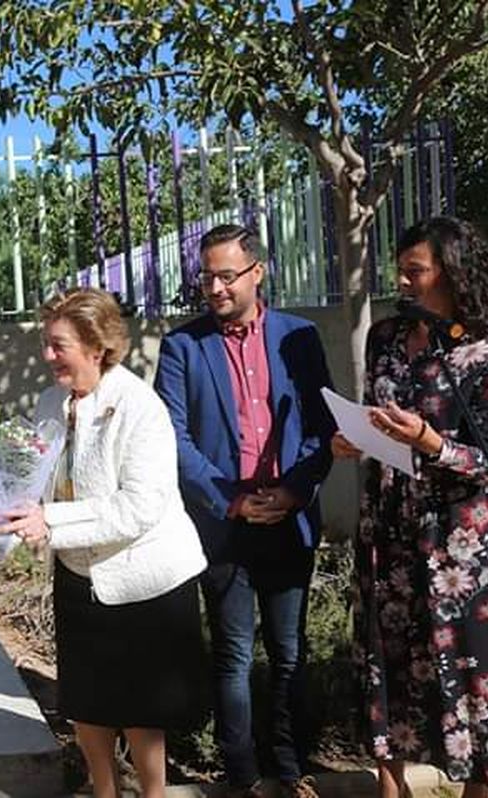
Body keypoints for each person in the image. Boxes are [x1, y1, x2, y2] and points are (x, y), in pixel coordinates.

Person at [0, 288, 208, 798]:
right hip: (78, 573)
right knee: (86, 701)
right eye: (46, 344)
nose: (48, 357)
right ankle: (103, 791)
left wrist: (50, 520)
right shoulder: (52, 402)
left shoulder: (141, 408)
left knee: (139, 710)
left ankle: (154, 795)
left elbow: (139, 507)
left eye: (59, 345)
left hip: (143, 581)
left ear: (97, 348)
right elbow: (33, 480)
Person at [337, 217, 488, 798]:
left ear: (452, 272)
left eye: (417, 270)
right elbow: (375, 415)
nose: (405, 280)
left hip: (461, 544)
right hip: (390, 528)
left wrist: (430, 442)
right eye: (403, 269)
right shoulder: (386, 337)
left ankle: (476, 790)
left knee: (473, 666)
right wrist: (354, 439)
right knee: (389, 661)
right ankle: (393, 789)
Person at [153, 224, 335, 798]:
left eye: (226, 275)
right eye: (206, 276)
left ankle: (289, 766)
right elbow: (173, 438)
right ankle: (243, 776)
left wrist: (294, 491)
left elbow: (322, 425)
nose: (214, 287)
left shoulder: (298, 338)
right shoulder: (183, 346)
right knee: (232, 654)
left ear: (258, 272)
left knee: (288, 651)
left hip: (289, 517)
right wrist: (229, 496)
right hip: (225, 525)